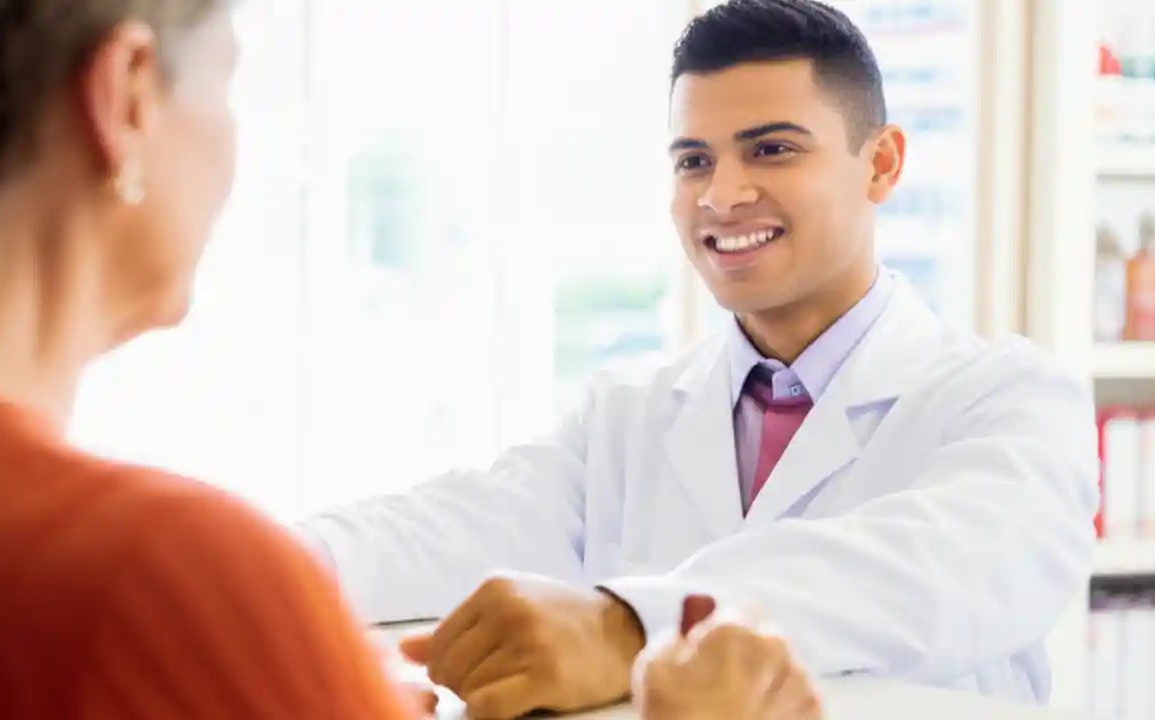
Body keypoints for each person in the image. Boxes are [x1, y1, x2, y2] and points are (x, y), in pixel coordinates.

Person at [0, 1, 812, 718]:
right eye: (229, 85)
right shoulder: (149, 574)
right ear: (125, 99)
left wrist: (293, 665)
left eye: (770, 148)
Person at [301, 0, 1100, 716]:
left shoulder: (1015, 400)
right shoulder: (630, 413)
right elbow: (454, 525)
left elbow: (931, 572)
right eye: (693, 160)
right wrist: (250, 568)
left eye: (772, 150)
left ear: (882, 163)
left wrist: (629, 627)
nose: (721, 196)